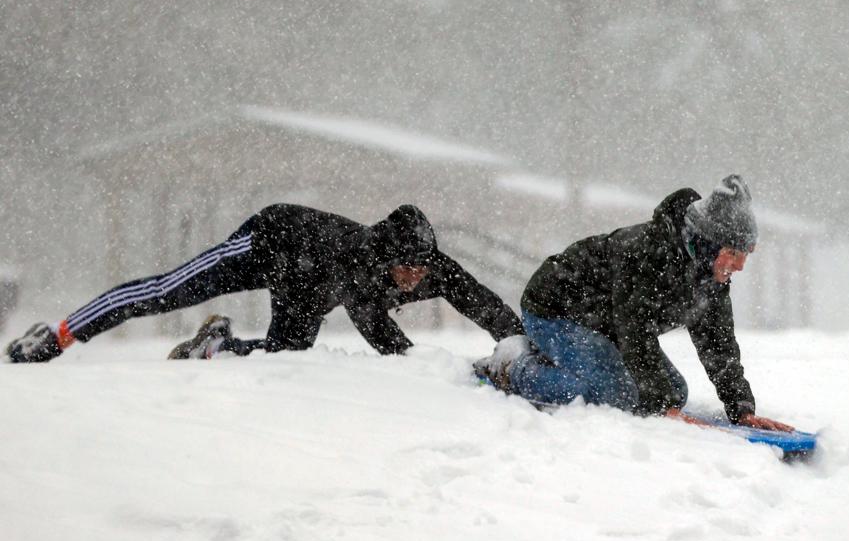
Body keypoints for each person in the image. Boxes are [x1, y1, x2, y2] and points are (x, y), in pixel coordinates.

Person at [5, 203, 523, 362]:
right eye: (407, 267)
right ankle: (58, 334)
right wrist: (429, 371)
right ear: (386, 256)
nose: (416, 278)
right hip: (270, 242)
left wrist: (519, 343)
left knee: (288, 355)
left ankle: (216, 348)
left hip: (305, 283)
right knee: (169, 290)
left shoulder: (432, 267)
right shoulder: (359, 261)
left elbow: (482, 303)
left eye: (423, 269)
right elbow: (378, 331)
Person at [475, 175, 794, 432]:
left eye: (745, 255)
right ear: (708, 243)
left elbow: (717, 343)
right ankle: (511, 365)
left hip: (604, 324)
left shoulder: (711, 277)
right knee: (615, 396)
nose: (740, 265)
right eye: (734, 253)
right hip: (554, 309)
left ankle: (552, 357)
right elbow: (635, 332)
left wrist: (741, 409)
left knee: (675, 393)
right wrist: (660, 406)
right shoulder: (648, 253)